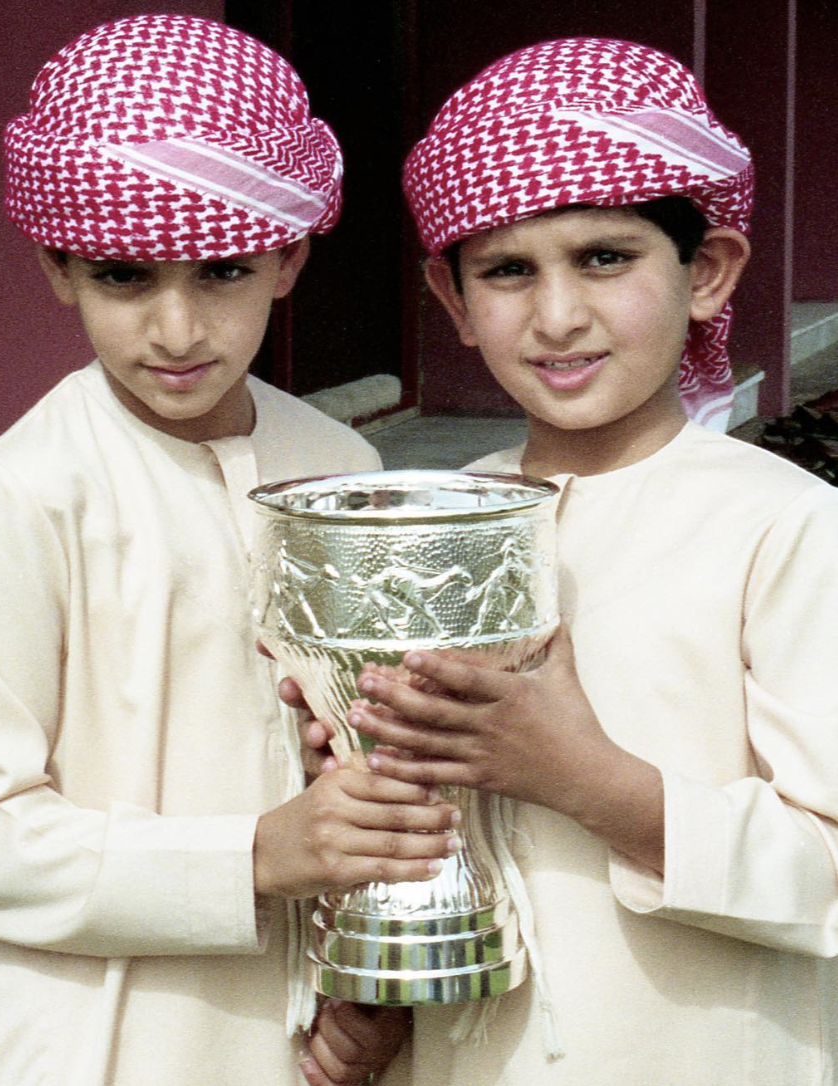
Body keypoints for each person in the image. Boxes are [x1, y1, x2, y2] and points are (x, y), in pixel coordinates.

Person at [0, 16, 458, 1086]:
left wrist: (368, 990)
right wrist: (258, 856)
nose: (178, 330)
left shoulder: (335, 462)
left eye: (222, 271)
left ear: (289, 258)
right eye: (126, 278)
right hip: (68, 1036)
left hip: (296, 1036)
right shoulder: (11, 504)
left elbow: (379, 760)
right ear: (59, 269)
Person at [302, 36, 838, 1085]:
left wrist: (584, 779)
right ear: (452, 300)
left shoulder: (787, 527)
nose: (557, 316)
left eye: (606, 257)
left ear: (709, 272)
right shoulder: (425, 524)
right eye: (507, 271)